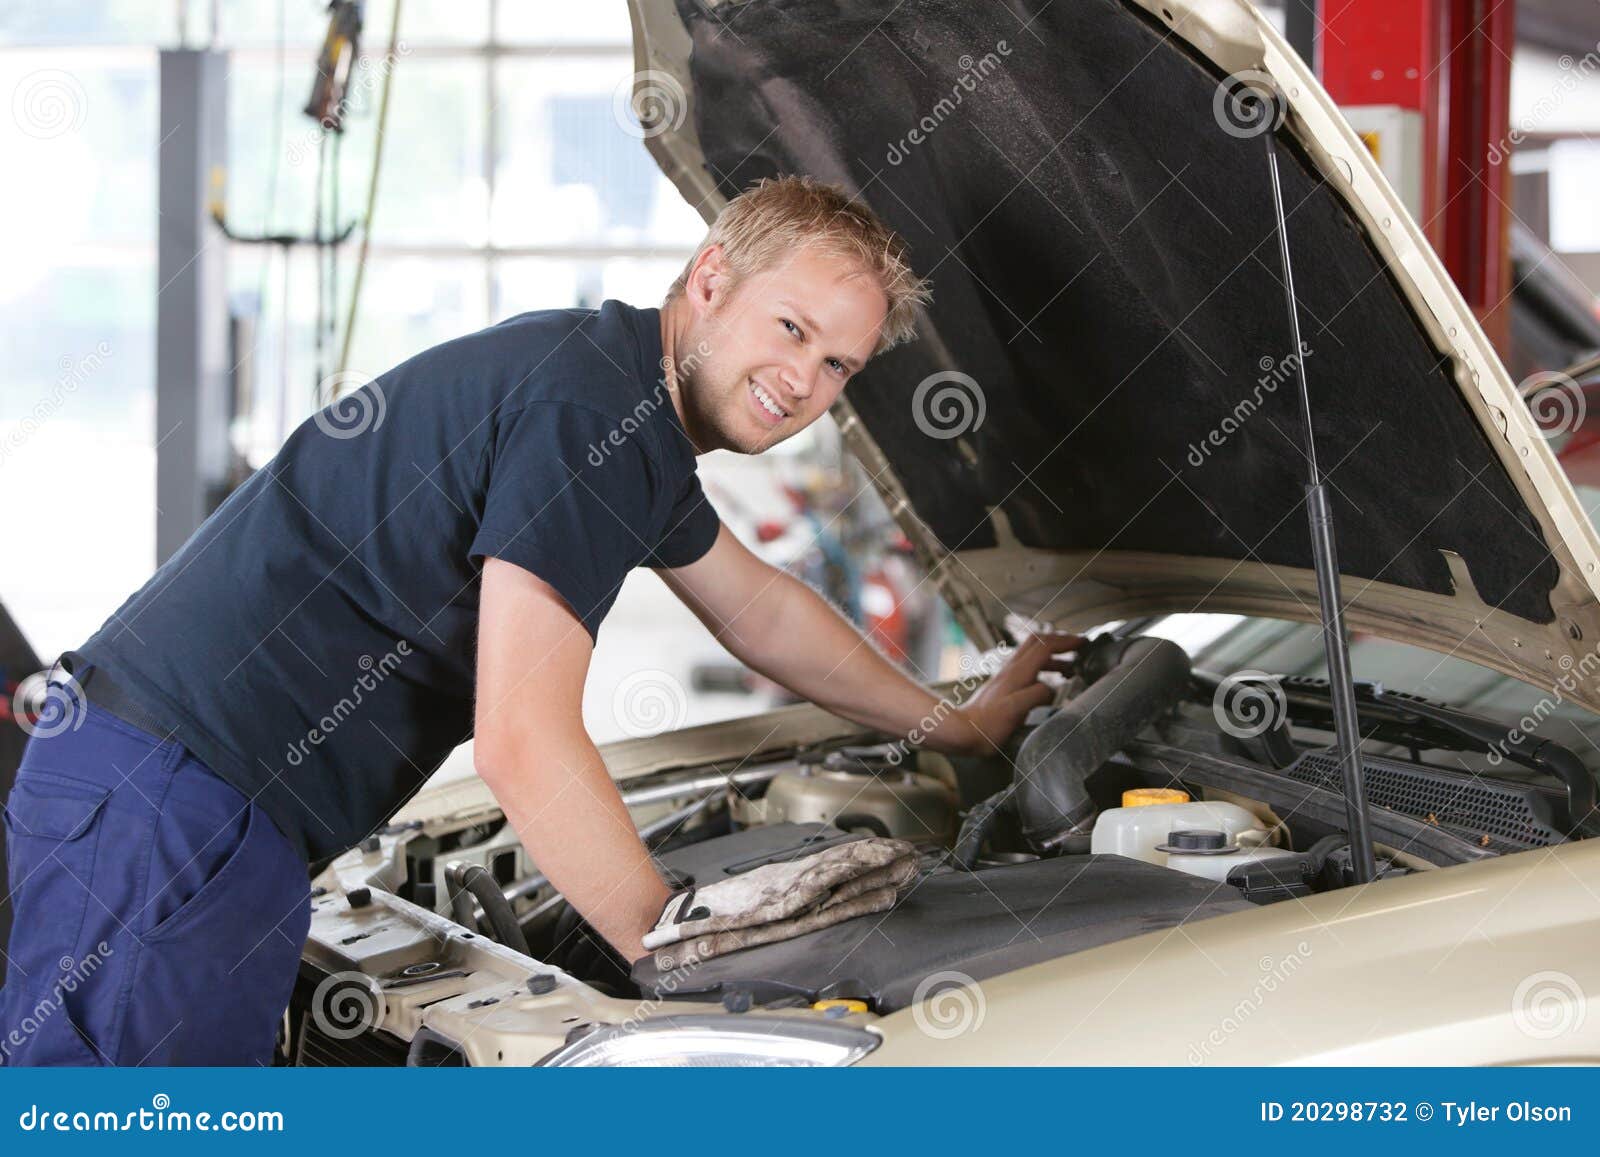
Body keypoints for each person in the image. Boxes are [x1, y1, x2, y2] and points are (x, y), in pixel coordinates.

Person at [0, 176, 1078, 1065]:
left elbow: (760, 608)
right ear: (711, 279)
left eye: (837, 363)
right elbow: (521, 736)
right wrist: (671, 950)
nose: (803, 379)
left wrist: (956, 723)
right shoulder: (594, 411)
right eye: (789, 326)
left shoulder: (619, 399)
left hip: (181, 796)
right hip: (176, 809)